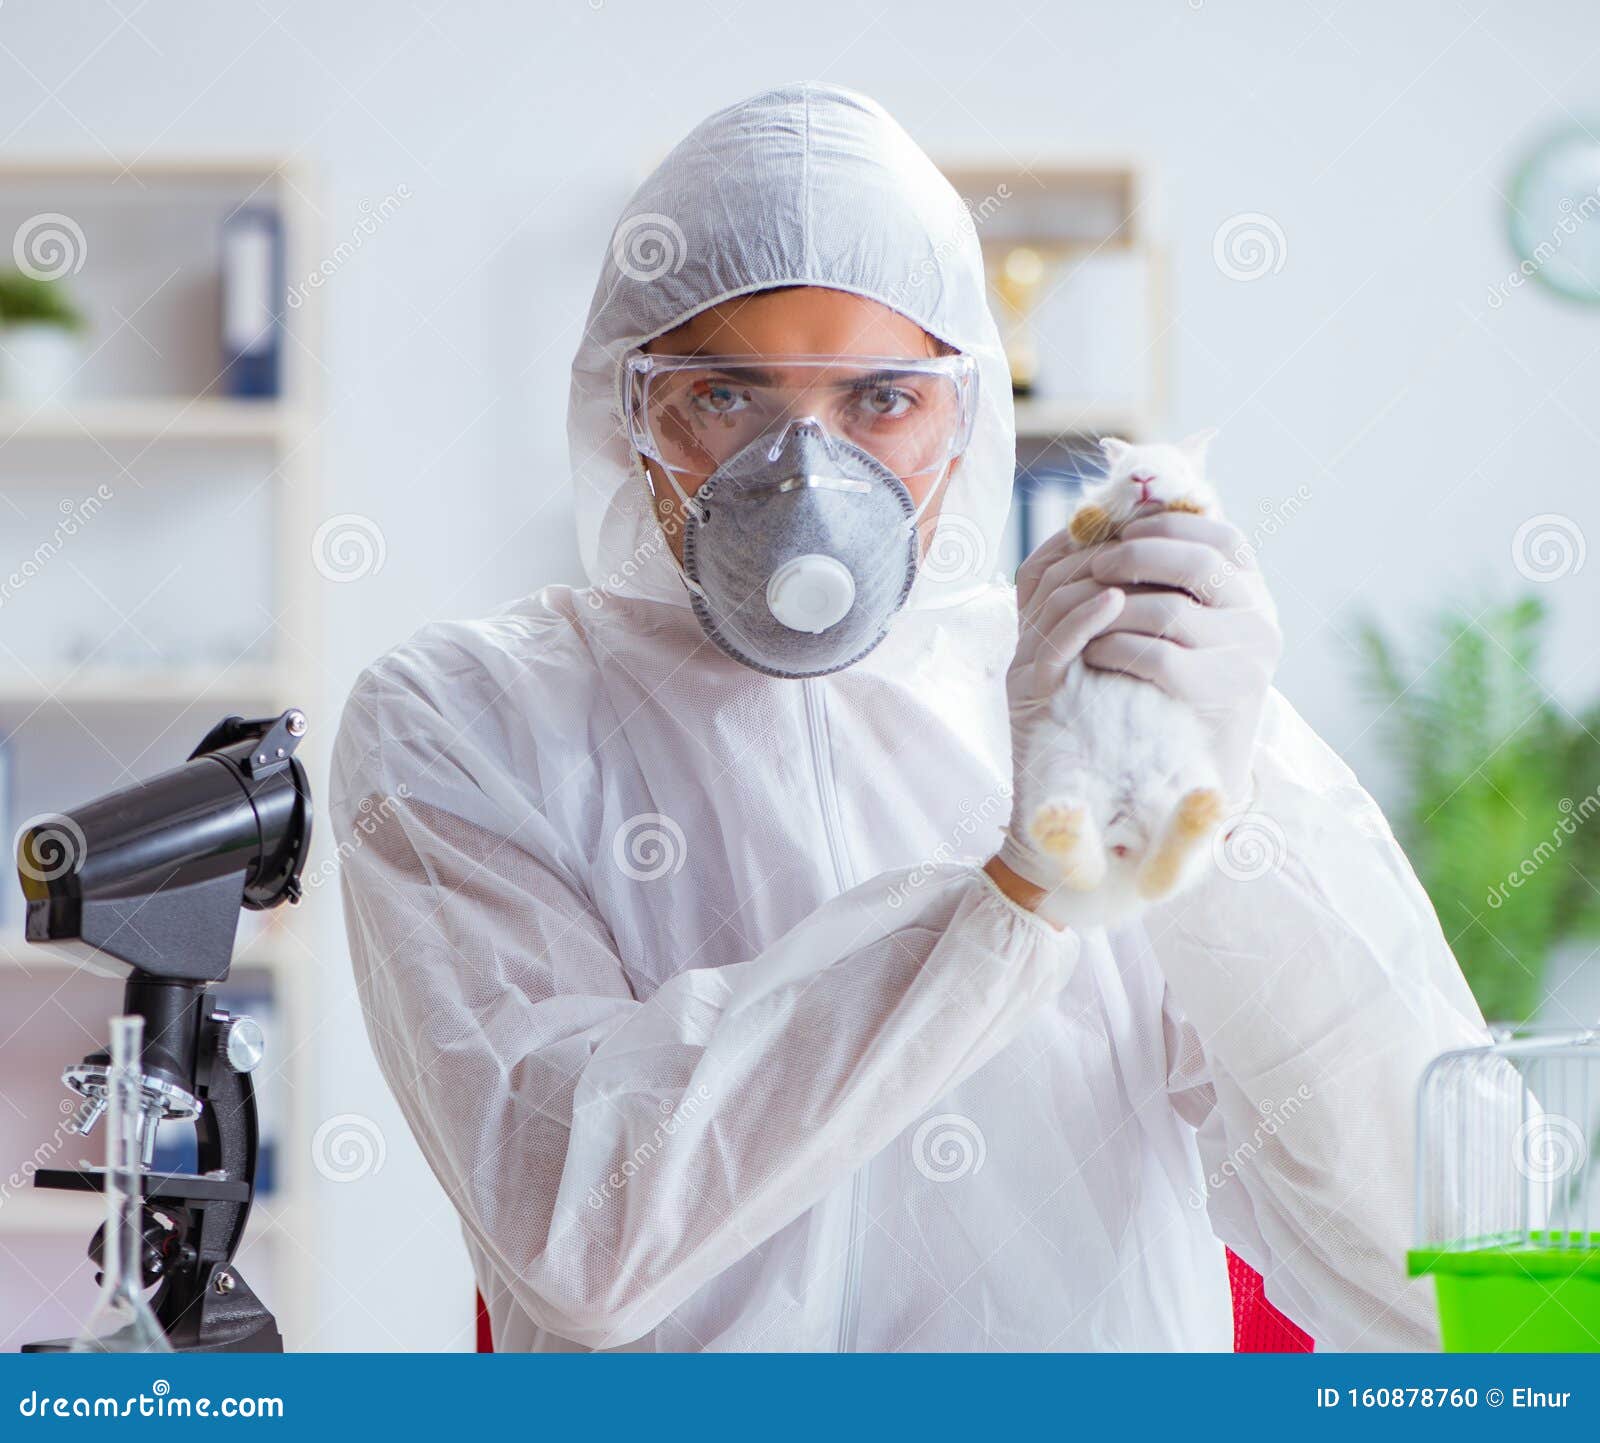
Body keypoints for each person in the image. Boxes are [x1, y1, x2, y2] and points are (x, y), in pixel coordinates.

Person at [332, 83, 1487, 1353]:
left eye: (880, 400)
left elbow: (1426, 1273)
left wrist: (1222, 822)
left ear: (964, 412)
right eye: (725, 397)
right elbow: (577, 1239)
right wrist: (1021, 894)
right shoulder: (468, 716)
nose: (807, 473)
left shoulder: (1088, 683)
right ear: (631, 408)